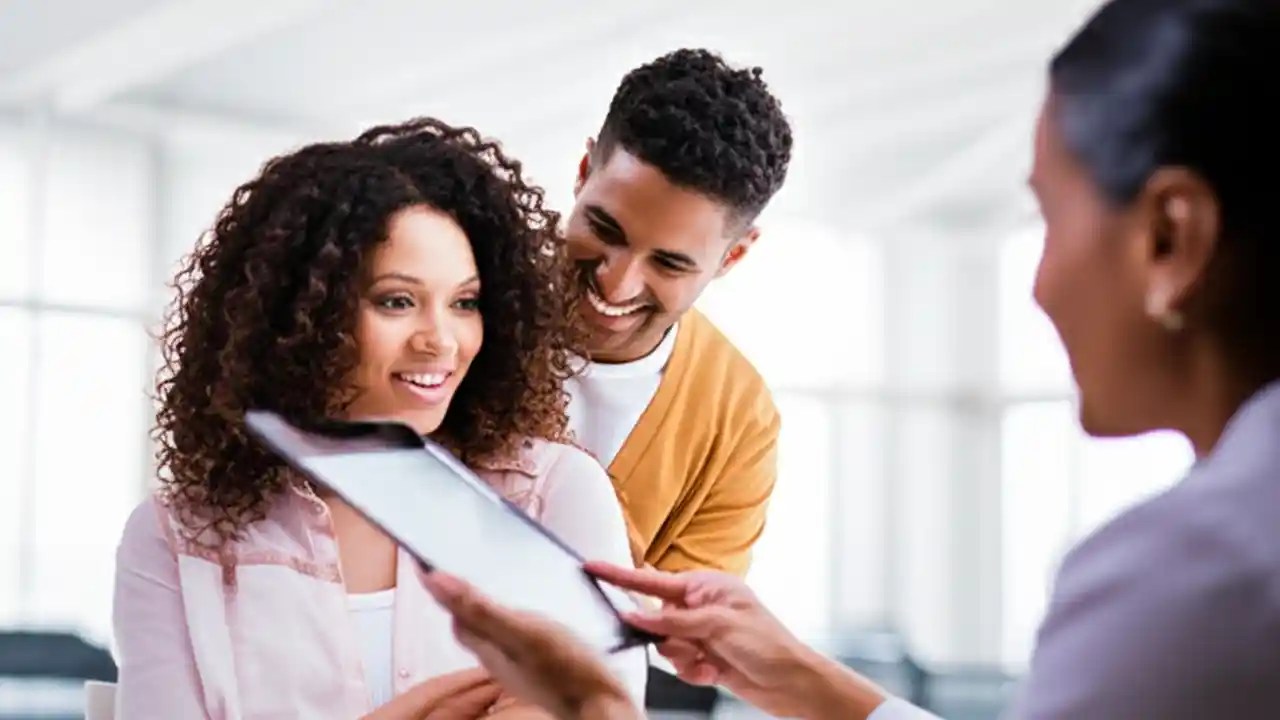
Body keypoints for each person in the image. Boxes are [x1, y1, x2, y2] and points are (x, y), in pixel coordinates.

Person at [421, 0, 1280, 717]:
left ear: (1173, 236)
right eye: (605, 231)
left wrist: (597, 705)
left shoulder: (1196, 577)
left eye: (1049, 219)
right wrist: (795, 672)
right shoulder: (454, 307)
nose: (1038, 288)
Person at [112, 117, 645, 718]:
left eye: (465, 303)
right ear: (302, 317)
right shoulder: (175, 538)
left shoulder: (553, 493)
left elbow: (607, 711)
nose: (442, 341)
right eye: (397, 301)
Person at [561, 48, 794, 575]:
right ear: (582, 171)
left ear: (732, 256)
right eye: (604, 229)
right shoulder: (459, 298)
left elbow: (680, 634)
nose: (617, 284)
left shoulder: (737, 419)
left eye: (669, 264)